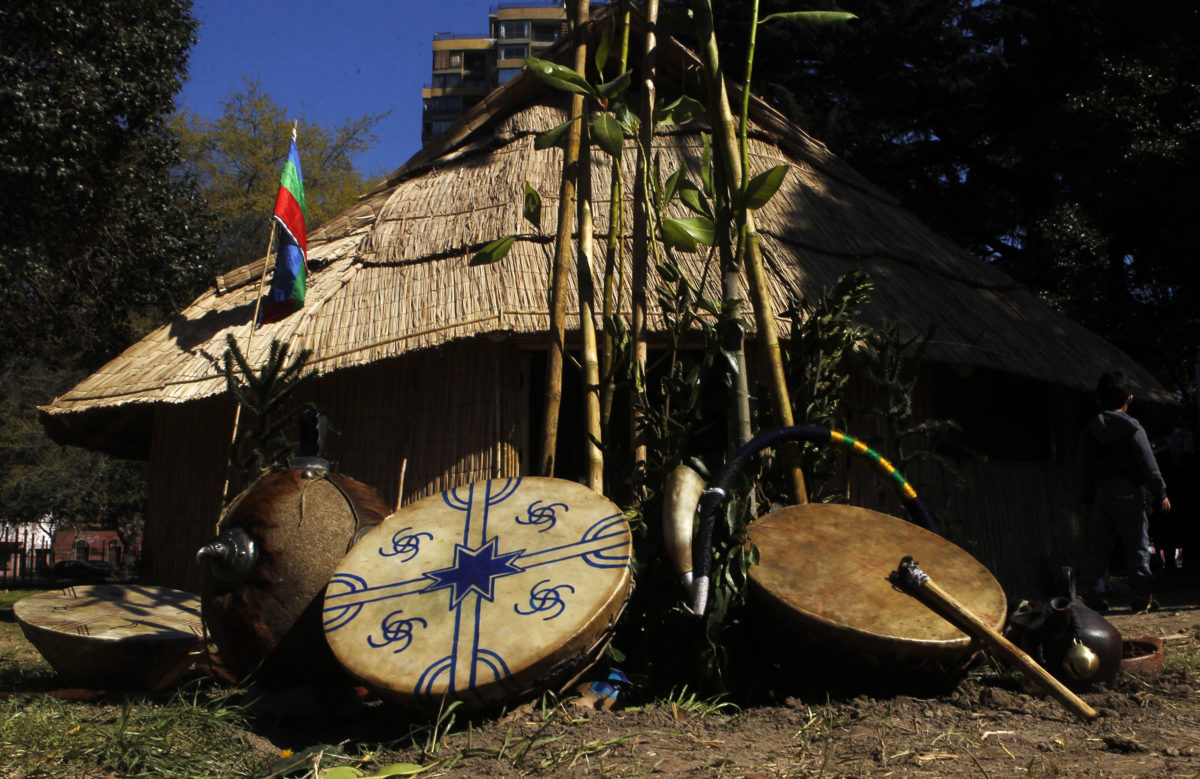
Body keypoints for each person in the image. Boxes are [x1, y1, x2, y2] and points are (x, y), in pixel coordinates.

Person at [1076, 371, 1170, 612]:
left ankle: (1087, 594)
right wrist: (1160, 494)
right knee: (1137, 544)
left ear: (1098, 401)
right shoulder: (1133, 428)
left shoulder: (1090, 431)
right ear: (1129, 399)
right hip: (1128, 492)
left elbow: (1084, 468)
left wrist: (1086, 498)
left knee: (1098, 546)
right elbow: (1149, 466)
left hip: (1100, 495)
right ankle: (1141, 597)